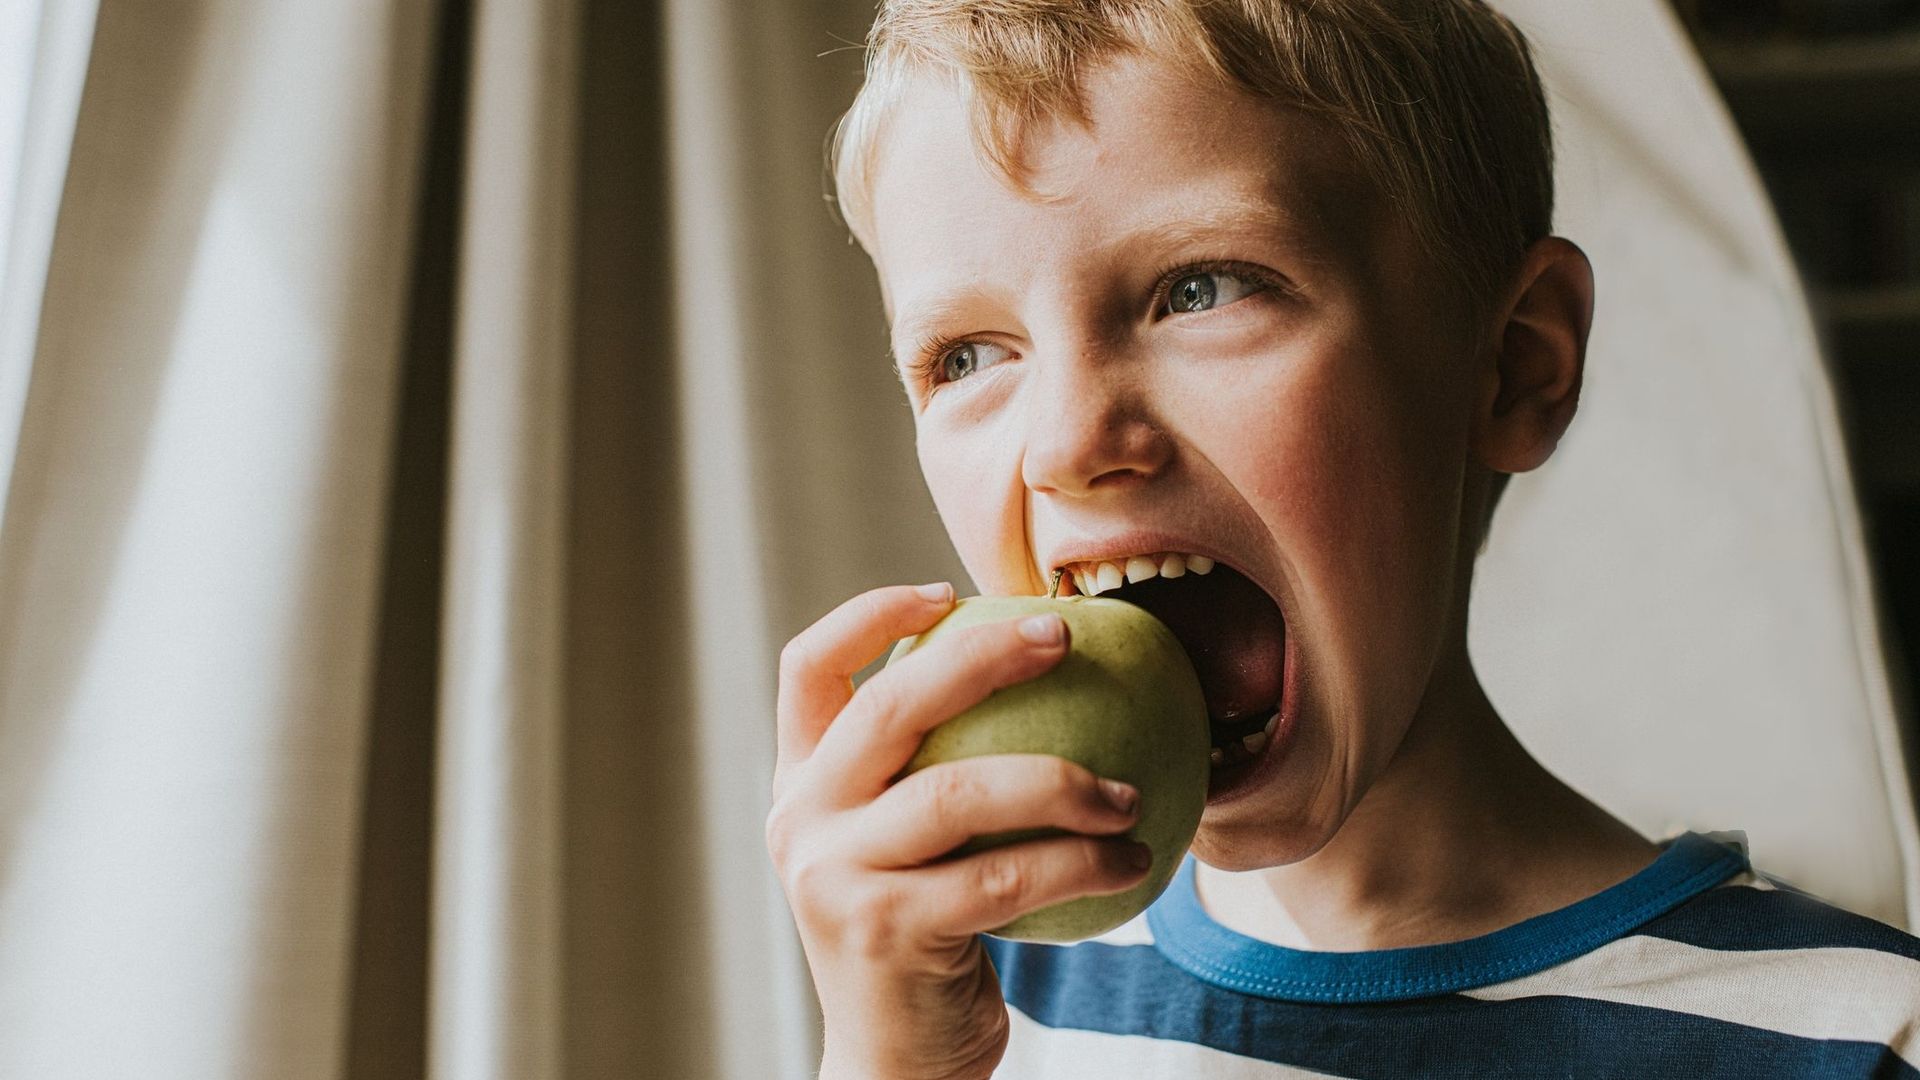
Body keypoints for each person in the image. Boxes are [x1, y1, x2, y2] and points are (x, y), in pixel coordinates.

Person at [763, 1, 1920, 1075]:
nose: (1066, 443)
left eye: (1202, 288)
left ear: (1515, 363)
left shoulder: (1857, 1039)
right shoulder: (972, 997)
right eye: (966, 356)